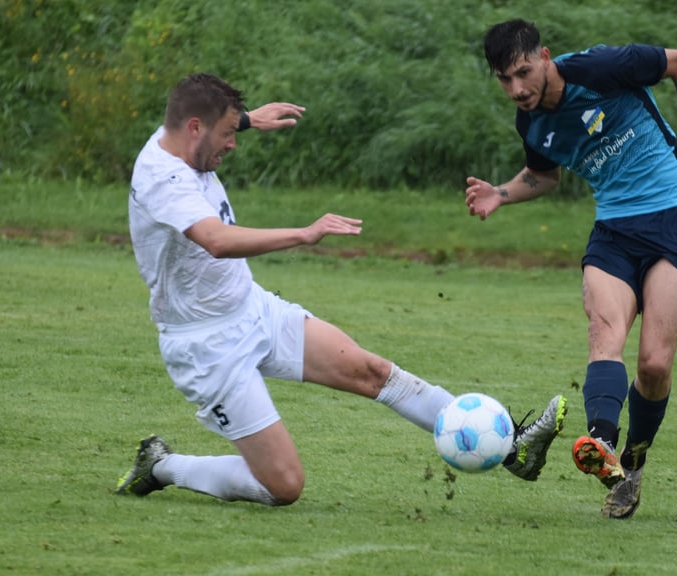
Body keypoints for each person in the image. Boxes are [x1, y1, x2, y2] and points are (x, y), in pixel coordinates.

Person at [117, 72, 568, 506]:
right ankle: (162, 465)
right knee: (283, 487)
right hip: (206, 345)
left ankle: (515, 449)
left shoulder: (180, 132)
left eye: (236, 131)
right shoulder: (163, 179)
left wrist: (248, 118)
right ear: (195, 128)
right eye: (227, 134)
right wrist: (303, 234)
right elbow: (215, 241)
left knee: (372, 372)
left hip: (252, 309)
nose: (232, 144)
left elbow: (199, 122)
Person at [464, 20, 677, 519]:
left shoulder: (602, 67)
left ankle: (635, 462)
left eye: (523, 72)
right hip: (613, 235)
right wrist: (500, 193)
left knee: (653, 366)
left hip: (673, 219)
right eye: (504, 80)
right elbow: (543, 176)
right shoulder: (533, 122)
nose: (517, 89)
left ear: (544, 56)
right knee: (605, 331)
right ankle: (602, 443)